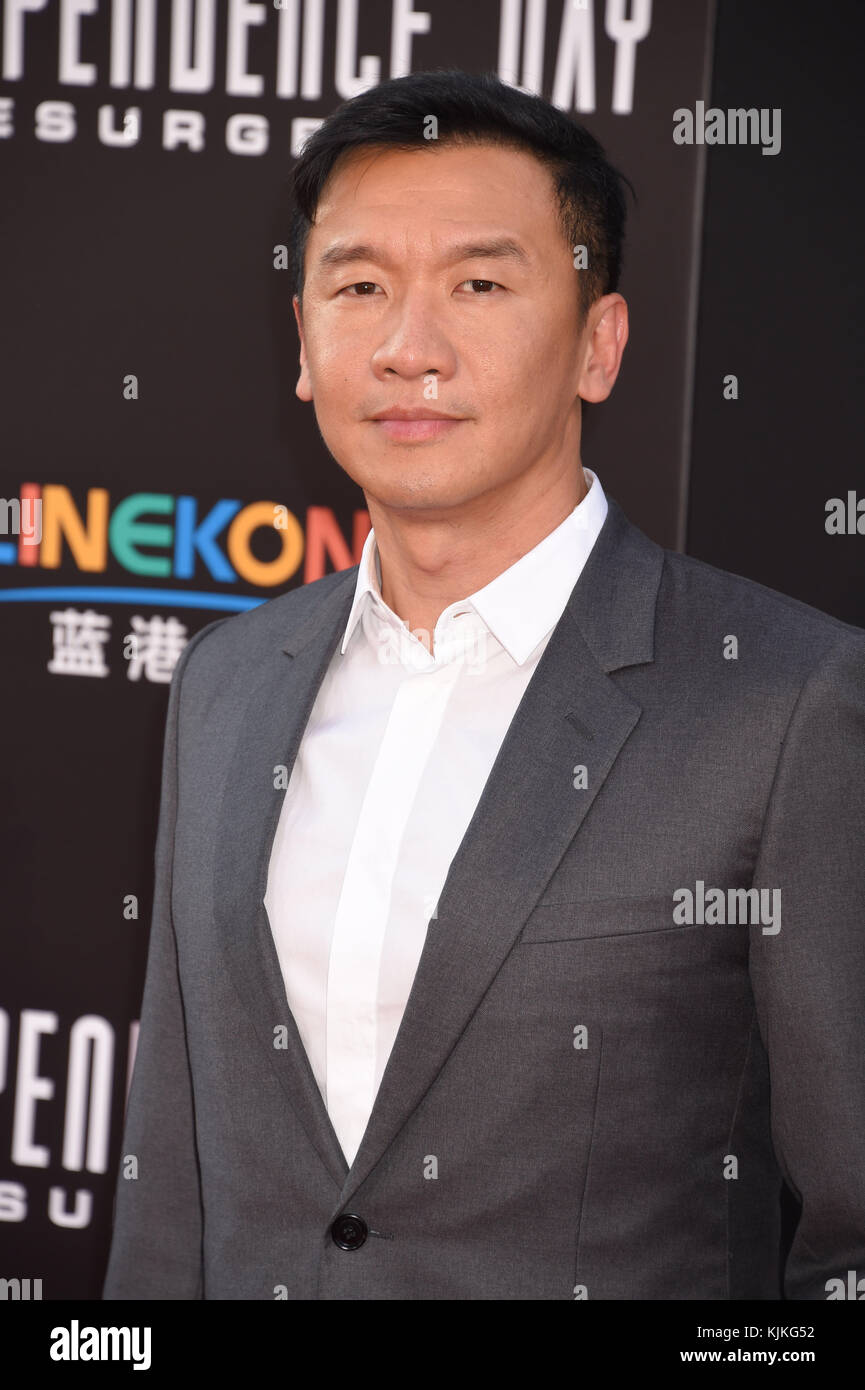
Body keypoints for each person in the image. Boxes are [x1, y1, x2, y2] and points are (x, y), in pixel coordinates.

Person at [103, 69, 865, 1301]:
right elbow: (168, 1193)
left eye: (479, 283)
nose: (409, 348)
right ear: (303, 343)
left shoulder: (785, 703)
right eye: (359, 288)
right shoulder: (228, 684)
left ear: (598, 344)